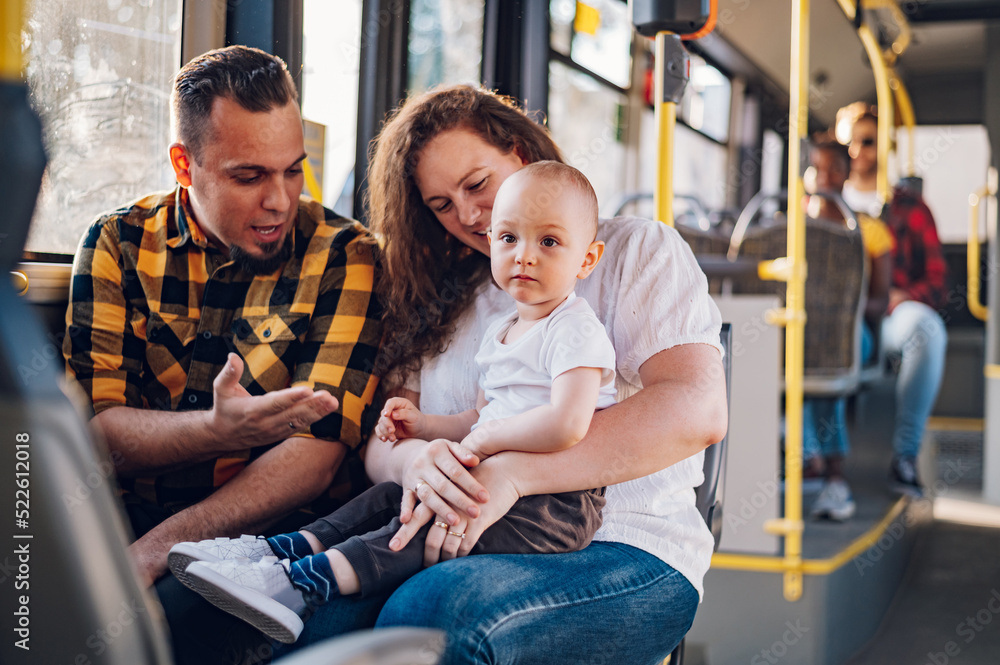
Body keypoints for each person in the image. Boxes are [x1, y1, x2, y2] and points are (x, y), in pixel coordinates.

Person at [161, 84, 727, 665]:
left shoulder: (637, 250)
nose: (468, 216)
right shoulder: (441, 300)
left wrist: (513, 477)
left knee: (431, 614)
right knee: (285, 624)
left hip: (623, 545)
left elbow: (695, 408)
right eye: (440, 205)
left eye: (477, 185)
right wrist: (418, 462)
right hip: (456, 528)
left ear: (521, 153)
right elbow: (385, 452)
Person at [166, 161, 619, 645]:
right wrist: (423, 425)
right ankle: (280, 553)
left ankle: (304, 585)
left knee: (429, 522)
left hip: (553, 505)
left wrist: (488, 439)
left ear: (587, 259)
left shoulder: (575, 330)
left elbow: (569, 425)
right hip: (491, 480)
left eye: (548, 242)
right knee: (392, 495)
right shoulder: (503, 331)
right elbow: (478, 418)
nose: (525, 256)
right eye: (509, 238)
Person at [62, 45, 381, 589]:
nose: (280, 200)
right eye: (250, 176)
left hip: (267, 543)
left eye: (292, 171)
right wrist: (215, 431)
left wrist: (152, 556)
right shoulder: (119, 241)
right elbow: (99, 435)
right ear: (185, 165)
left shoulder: (343, 253)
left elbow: (318, 456)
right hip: (125, 519)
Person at [842, 107, 948, 496]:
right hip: (835, 317)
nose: (857, 151)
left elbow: (938, 282)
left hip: (886, 316)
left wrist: (901, 296)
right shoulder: (822, 205)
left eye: (867, 141)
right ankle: (803, 452)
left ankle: (904, 455)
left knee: (927, 330)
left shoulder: (910, 208)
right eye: (850, 142)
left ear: (883, 146)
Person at [802, 136, 895, 520]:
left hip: (853, 330)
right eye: (816, 168)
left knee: (830, 348)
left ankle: (831, 471)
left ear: (844, 174)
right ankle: (806, 457)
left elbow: (880, 300)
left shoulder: (871, 231)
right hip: (805, 328)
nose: (824, 176)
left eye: (833, 169)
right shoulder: (793, 228)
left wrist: (843, 313)